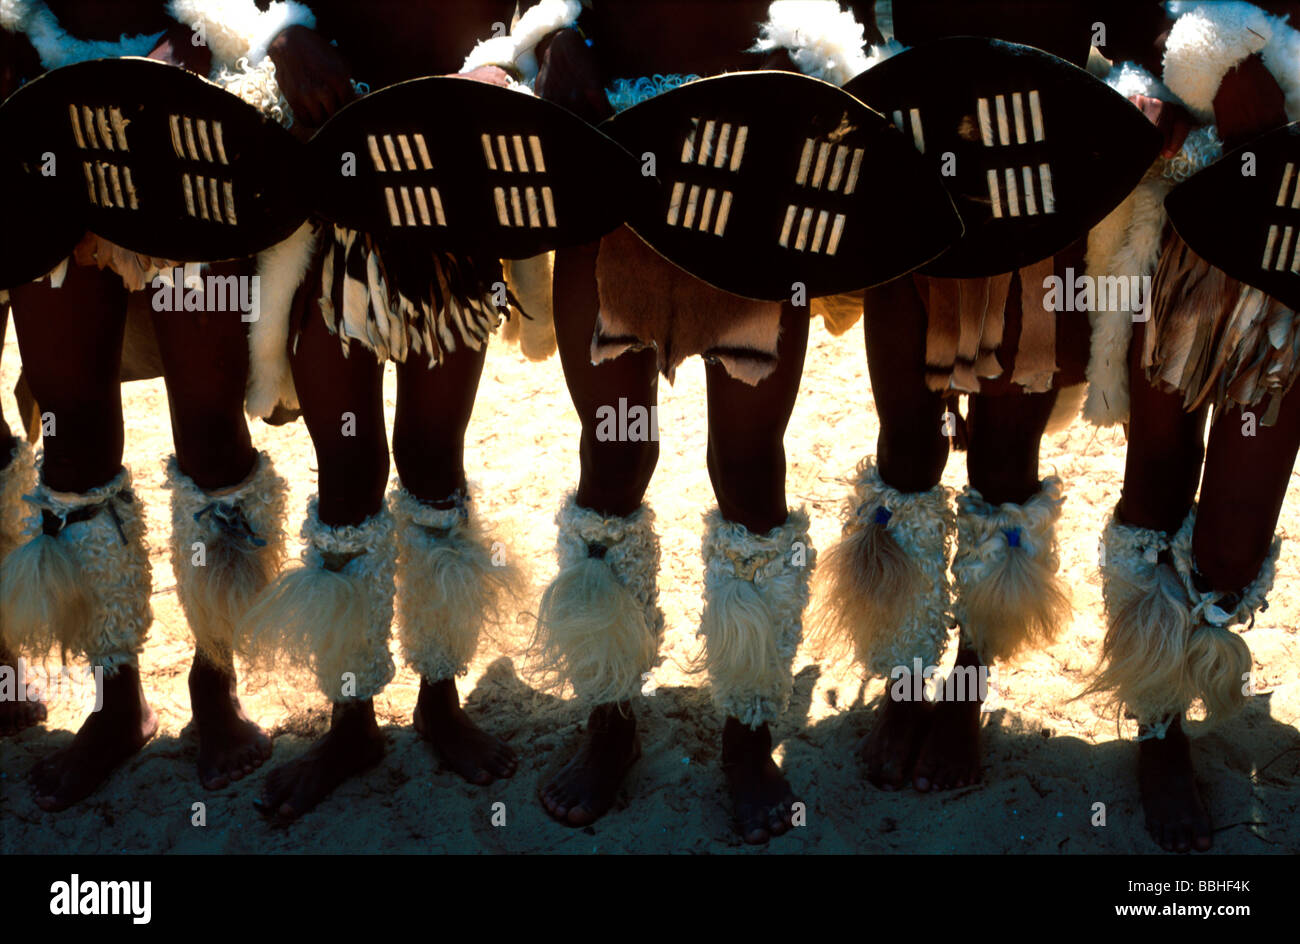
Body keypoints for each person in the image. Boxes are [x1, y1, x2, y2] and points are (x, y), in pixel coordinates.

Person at [466, 0, 874, 843]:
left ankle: (750, 729)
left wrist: (805, 62)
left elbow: (851, 13)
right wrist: (558, 38)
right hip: (612, 155)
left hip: (755, 177)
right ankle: (610, 718)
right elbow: (528, 6)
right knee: (613, 462)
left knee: (752, 466)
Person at [817, 0, 1163, 794]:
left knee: (1007, 460)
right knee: (906, 443)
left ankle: (966, 689)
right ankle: (904, 678)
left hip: (1041, 187)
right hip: (910, 182)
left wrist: (1144, 88)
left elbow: (1147, 25)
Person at [0, 0, 325, 803]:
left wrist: (209, 32)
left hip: (187, 112)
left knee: (212, 434)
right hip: (49, 109)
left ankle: (216, 687)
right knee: (72, 437)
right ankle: (118, 700)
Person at [234, 0, 528, 823]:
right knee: (347, 469)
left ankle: (439, 698)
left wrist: (504, 62)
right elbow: (261, 8)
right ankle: (352, 716)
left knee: (433, 456)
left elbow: (540, 15)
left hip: (452, 196)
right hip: (332, 196)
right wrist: (289, 37)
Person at [1081, 0, 1300, 852]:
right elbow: (1119, 13)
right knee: (1159, 470)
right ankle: (1157, 723)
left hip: (1288, 230)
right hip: (1181, 212)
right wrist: (1157, 82)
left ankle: (1194, 646)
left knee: (1233, 540)